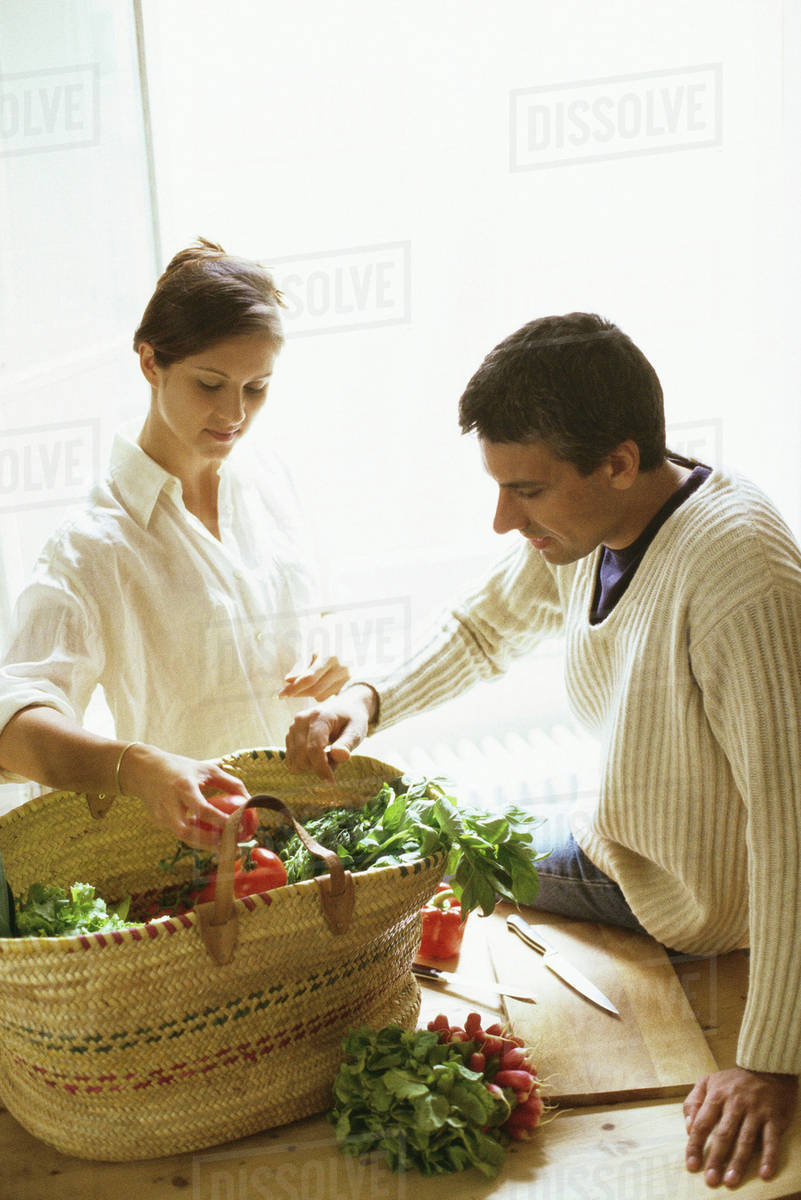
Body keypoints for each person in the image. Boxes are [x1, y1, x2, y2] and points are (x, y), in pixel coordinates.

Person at [285, 312, 800, 1190]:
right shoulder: (588, 523)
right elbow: (486, 627)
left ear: (619, 461)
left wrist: (771, 1061)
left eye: (523, 489)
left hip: (682, 895)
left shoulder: (739, 576)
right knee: (400, 843)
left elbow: (791, 831)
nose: (499, 518)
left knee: (415, 851)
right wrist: (365, 701)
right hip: (619, 834)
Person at [0, 239, 348, 849]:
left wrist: (329, 654)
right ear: (149, 362)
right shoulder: (92, 546)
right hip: (193, 862)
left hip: (314, 833)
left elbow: (306, 609)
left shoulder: (272, 484)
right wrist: (137, 768)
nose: (234, 413)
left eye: (256, 388)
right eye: (210, 383)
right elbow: (14, 726)